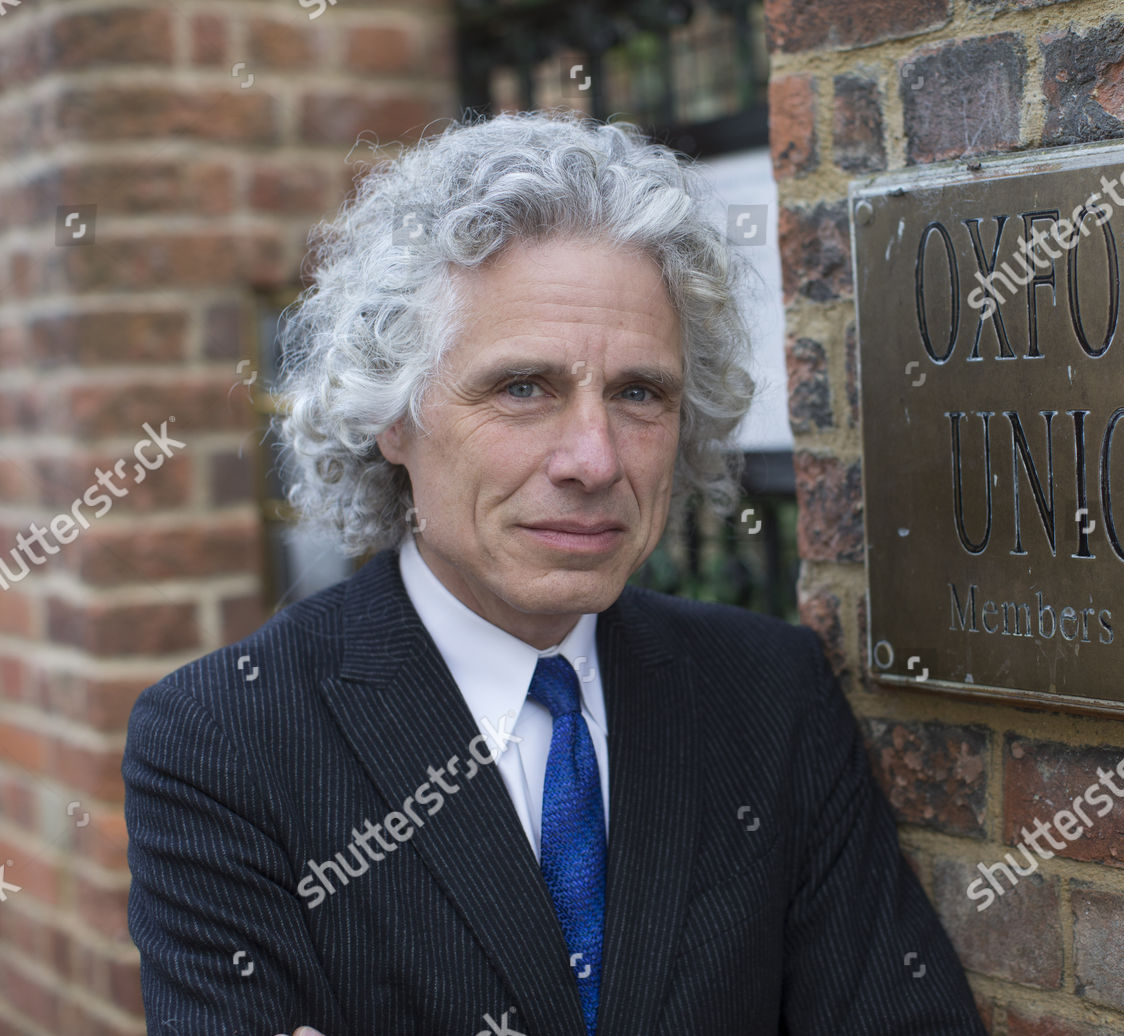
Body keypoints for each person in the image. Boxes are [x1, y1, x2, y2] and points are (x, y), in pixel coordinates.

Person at [123, 110, 984, 1036]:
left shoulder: (768, 694)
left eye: (638, 393)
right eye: (522, 388)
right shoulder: (227, 739)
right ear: (394, 416)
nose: (594, 458)